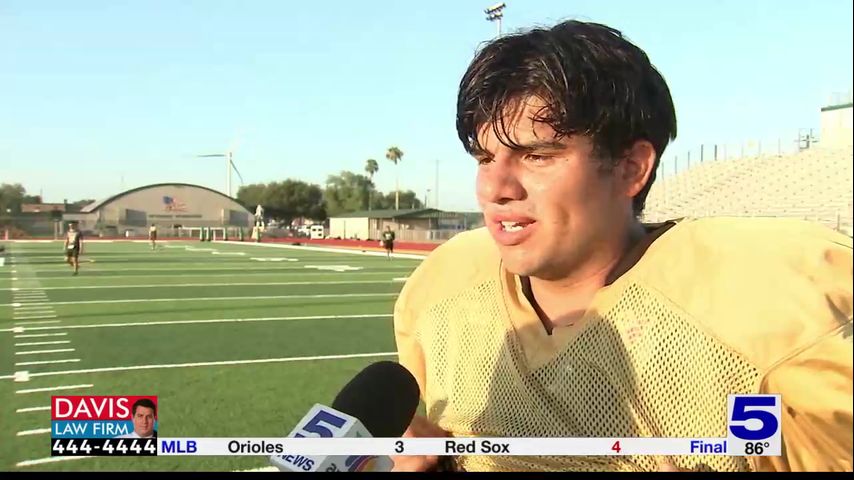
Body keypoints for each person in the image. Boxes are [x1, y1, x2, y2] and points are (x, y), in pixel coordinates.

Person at [392, 20, 852, 472]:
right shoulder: (446, 284)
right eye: (485, 158)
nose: (495, 188)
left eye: (536, 155)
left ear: (631, 167)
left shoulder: (770, 303)